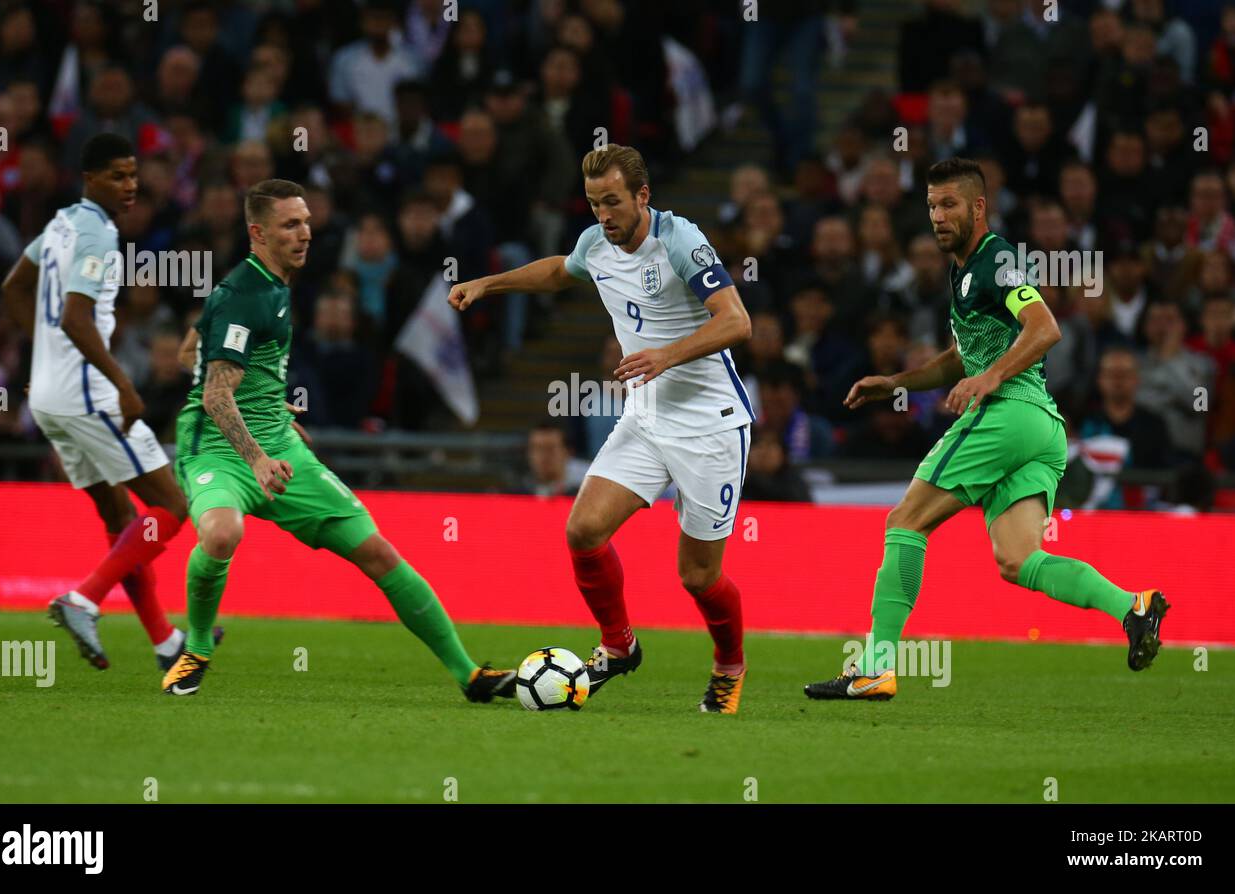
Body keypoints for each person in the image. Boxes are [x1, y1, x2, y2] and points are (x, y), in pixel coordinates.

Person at [805, 158, 1169, 702]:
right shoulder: (966, 271)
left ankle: (874, 667)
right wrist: (897, 382)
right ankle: (1132, 607)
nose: (937, 216)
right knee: (1018, 560)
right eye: (931, 205)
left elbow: (1045, 327)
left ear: (978, 207)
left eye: (949, 204)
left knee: (905, 522)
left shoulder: (998, 260)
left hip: (1008, 413)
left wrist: (990, 378)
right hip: (1042, 430)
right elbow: (960, 358)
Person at [163, 178, 515, 703]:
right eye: (290, 225)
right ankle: (194, 647)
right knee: (221, 534)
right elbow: (215, 394)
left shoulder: (267, 285)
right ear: (258, 233)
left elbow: (189, 350)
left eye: (306, 222)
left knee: (378, 552)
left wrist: (266, 404)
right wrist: (256, 456)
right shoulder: (244, 295)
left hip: (275, 442)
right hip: (218, 449)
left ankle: (469, 675)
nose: (305, 233)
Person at [448, 144, 754, 714]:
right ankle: (619, 647)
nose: (604, 215)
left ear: (642, 195)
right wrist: (489, 283)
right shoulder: (595, 243)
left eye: (613, 202)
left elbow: (737, 321)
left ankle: (728, 668)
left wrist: (666, 355)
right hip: (647, 418)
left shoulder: (681, 241)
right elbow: (559, 272)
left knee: (697, 575)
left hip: (710, 426)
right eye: (594, 204)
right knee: (584, 530)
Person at [0, 133, 206, 672]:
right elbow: (75, 317)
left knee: (120, 517)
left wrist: (43, 360)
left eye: (133, 174)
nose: (130, 185)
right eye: (117, 175)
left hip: (51, 398)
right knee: (173, 505)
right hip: (87, 395)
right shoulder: (97, 234)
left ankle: (165, 641)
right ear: (89, 179)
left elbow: (13, 287)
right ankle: (84, 598)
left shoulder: (61, 224)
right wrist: (123, 383)